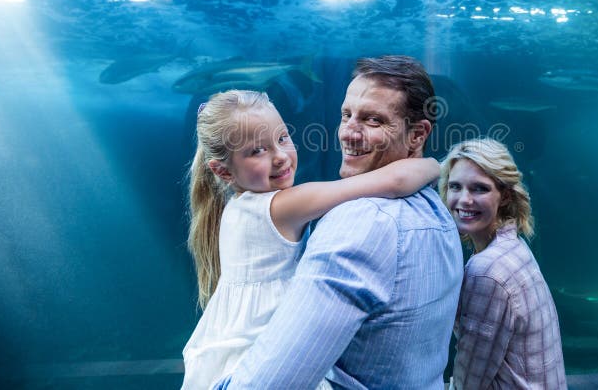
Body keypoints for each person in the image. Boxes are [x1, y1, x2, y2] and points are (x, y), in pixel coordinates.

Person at [213, 56, 464, 389]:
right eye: (346, 115)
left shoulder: (360, 224)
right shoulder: (438, 212)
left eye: (373, 120)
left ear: (417, 135)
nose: (349, 133)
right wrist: (433, 165)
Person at [439, 138, 566, 390]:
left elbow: (468, 383)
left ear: (505, 196)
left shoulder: (487, 270)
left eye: (479, 189)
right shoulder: (515, 246)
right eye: (455, 186)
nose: (464, 200)